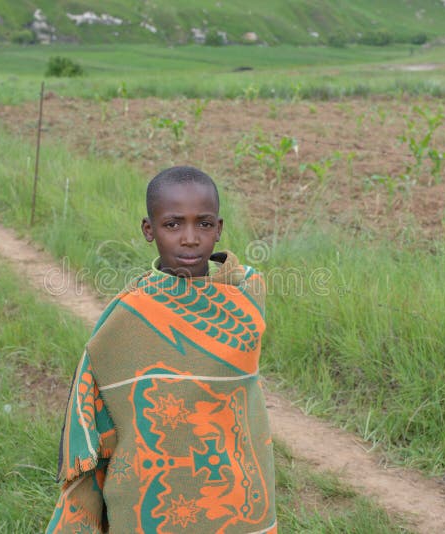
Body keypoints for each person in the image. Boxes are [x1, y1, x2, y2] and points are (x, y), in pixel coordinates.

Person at [46, 166, 276, 533]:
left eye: (202, 224)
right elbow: (95, 396)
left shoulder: (246, 295)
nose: (189, 238)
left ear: (218, 228)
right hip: (151, 493)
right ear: (149, 230)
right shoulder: (129, 315)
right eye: (172, 225)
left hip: (235, 487)